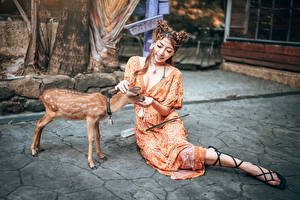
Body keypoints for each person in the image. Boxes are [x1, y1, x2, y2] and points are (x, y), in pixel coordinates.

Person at [115, 20, 286, 189]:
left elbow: (167, 110)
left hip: (167, 122)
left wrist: (153, 103)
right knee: (160, 159)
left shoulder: (175, 74)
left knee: (182, 153)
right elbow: (129, 92)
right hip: (146, 128)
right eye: (160, 46)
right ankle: (210, 154)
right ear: (153, 44)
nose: (162, 53)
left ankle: (247, 166)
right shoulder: (134, 62)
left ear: (172, 53)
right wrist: (120, 87)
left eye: (168, 50)